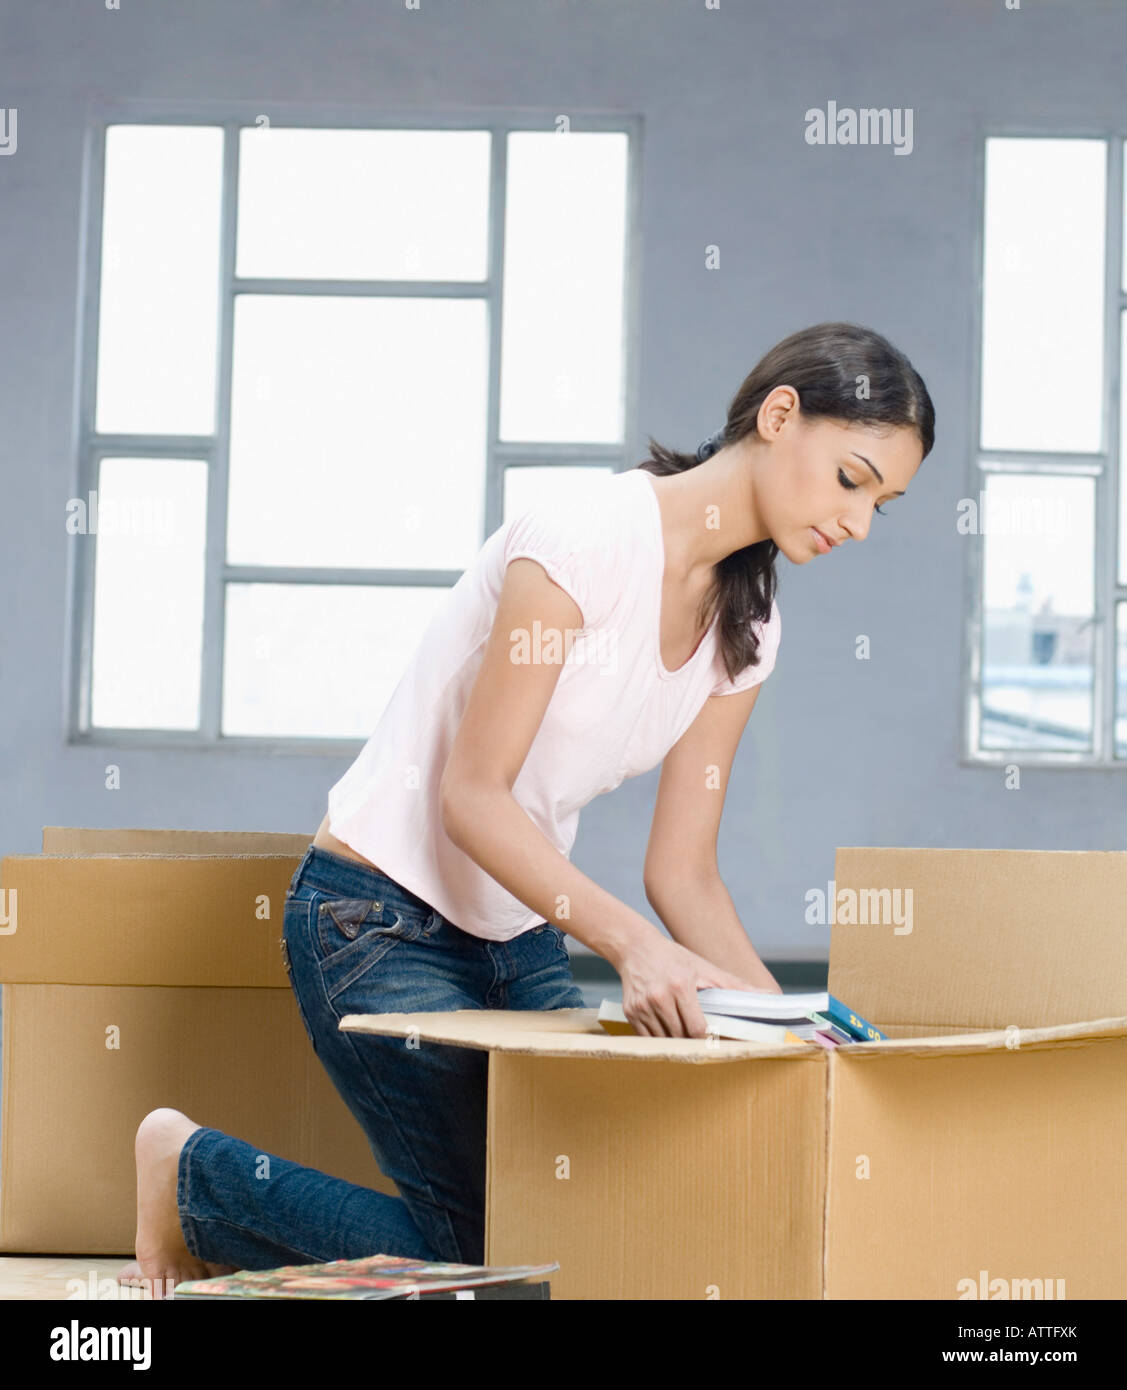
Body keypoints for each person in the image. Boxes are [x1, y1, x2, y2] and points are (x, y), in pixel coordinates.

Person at [118, 320, 934, 1293]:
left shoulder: (746, 627)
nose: (855, 523)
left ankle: (217, 1190)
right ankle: (194, 1177)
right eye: (851, 478)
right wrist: (631, 948)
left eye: (881, 505)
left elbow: (683, 871)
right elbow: (471, 797)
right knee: (503, 1254)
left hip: (520, 931)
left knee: (580, 1218)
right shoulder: (581, 542)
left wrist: (803, 1030)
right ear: (778, 414)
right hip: (375, 916)